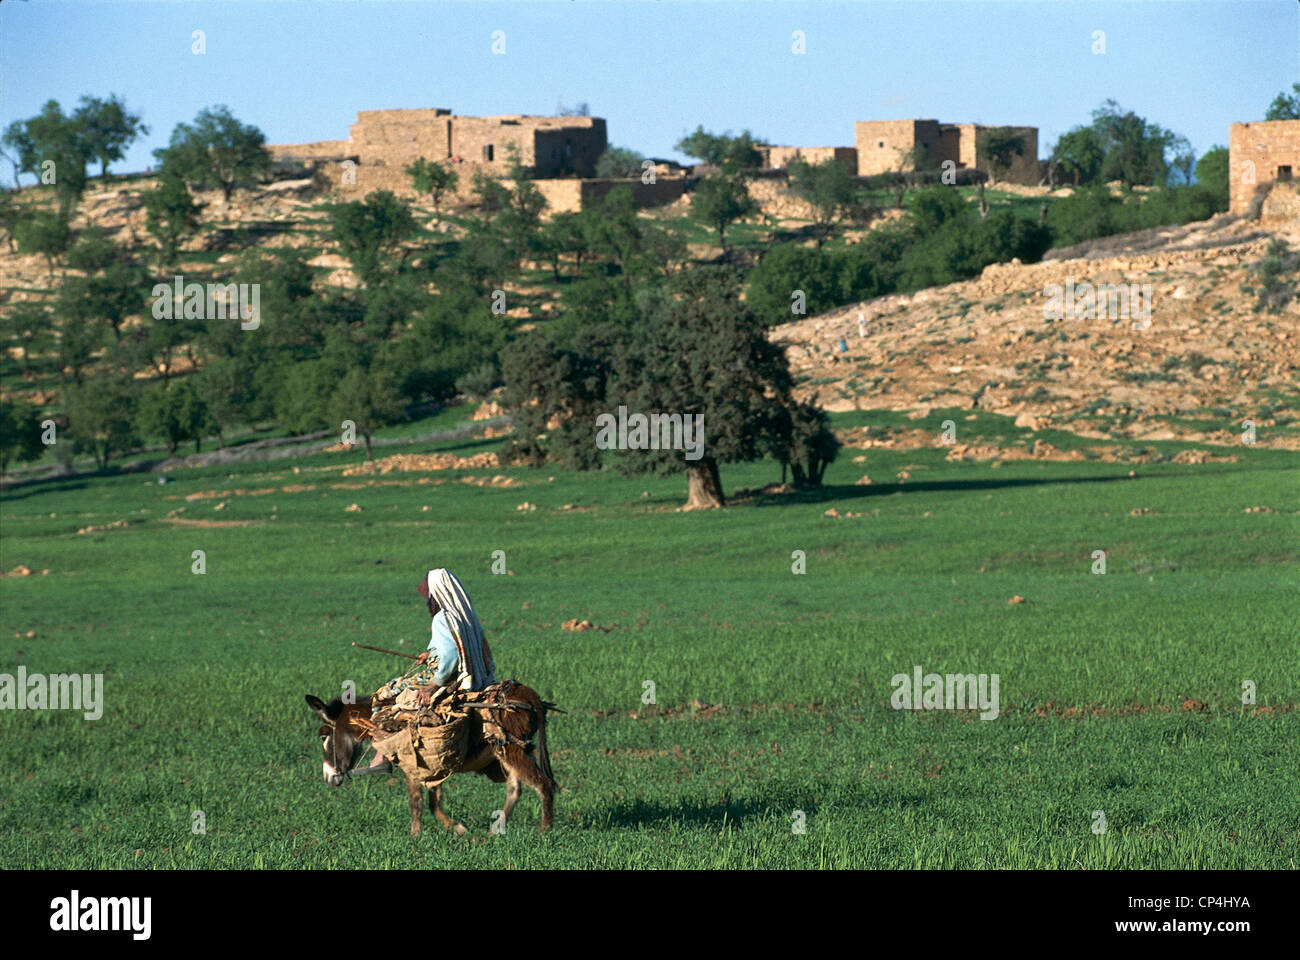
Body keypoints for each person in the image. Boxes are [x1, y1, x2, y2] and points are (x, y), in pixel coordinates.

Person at [365, 568, 494, 771]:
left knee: (384, 694)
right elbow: (463, 648)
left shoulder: (442, 618)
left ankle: (382, 757)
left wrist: (433, 685)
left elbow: (451, 655)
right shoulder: (465, 614)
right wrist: (430, 654)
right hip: (473, 676)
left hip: (447, 676)